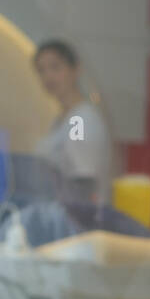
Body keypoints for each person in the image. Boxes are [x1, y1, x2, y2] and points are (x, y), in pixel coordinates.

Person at [32, 39, 114, 204]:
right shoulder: (63, 119)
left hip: (75, 218)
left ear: (76, 69)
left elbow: (83, 181)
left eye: (55, 67)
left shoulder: (80, 120)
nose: (48, 76)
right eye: (41, 70)